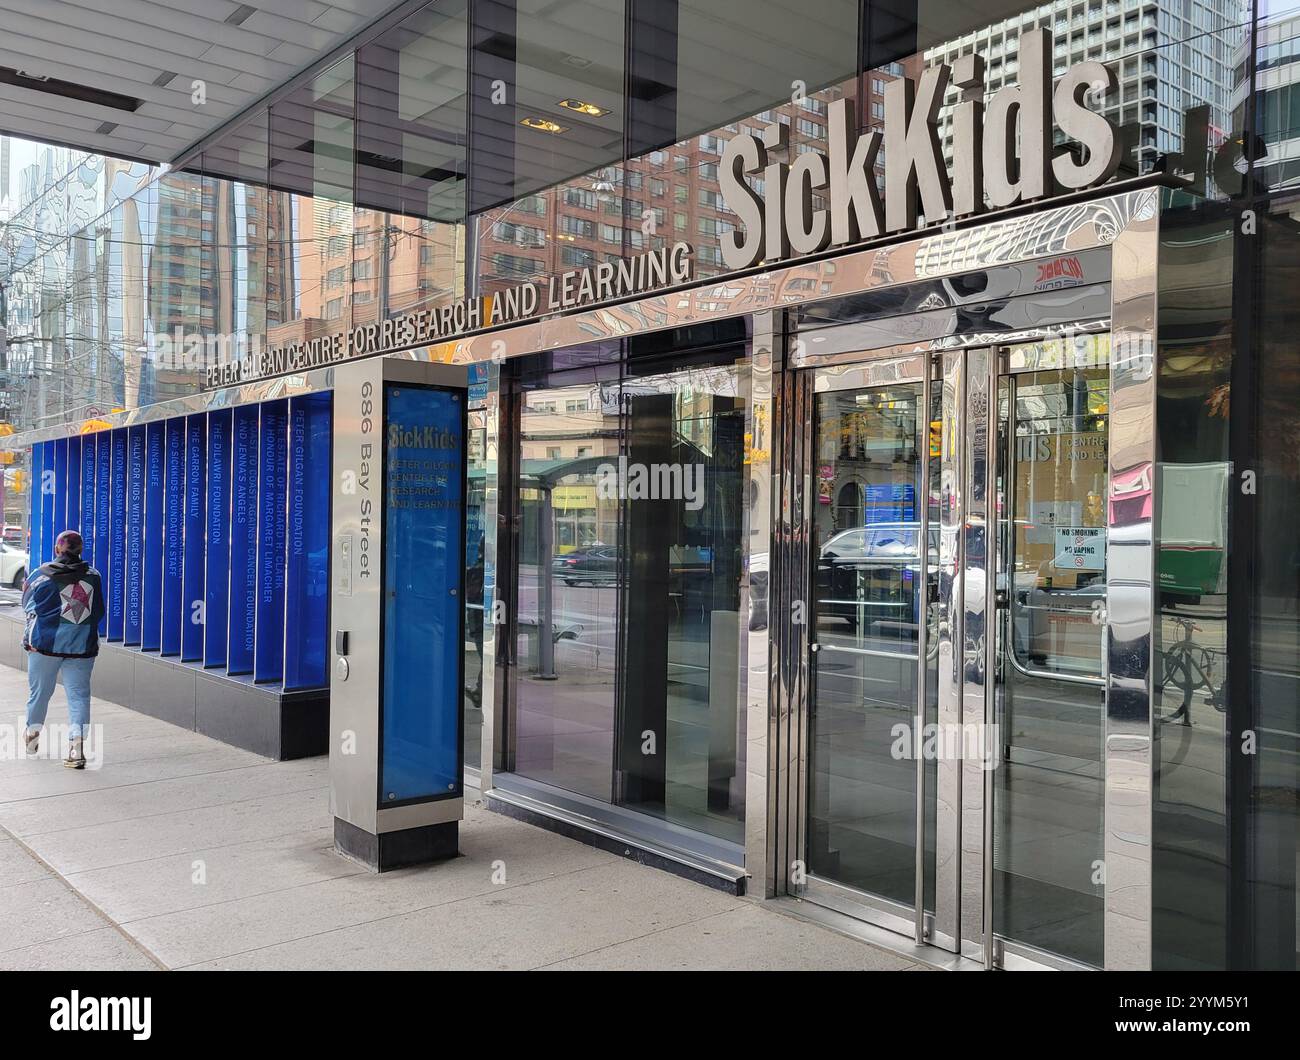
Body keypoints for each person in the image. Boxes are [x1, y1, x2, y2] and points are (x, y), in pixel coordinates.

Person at [21, 529, 105, 768]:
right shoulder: (94, 576)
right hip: (82, 646)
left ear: (58, 549)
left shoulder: (41, 575)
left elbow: (27, 604)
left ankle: (32, 736)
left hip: (44, 646)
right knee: (79, 697)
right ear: (81, 550)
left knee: (39, 694)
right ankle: (76, 748)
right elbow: (98, 610)